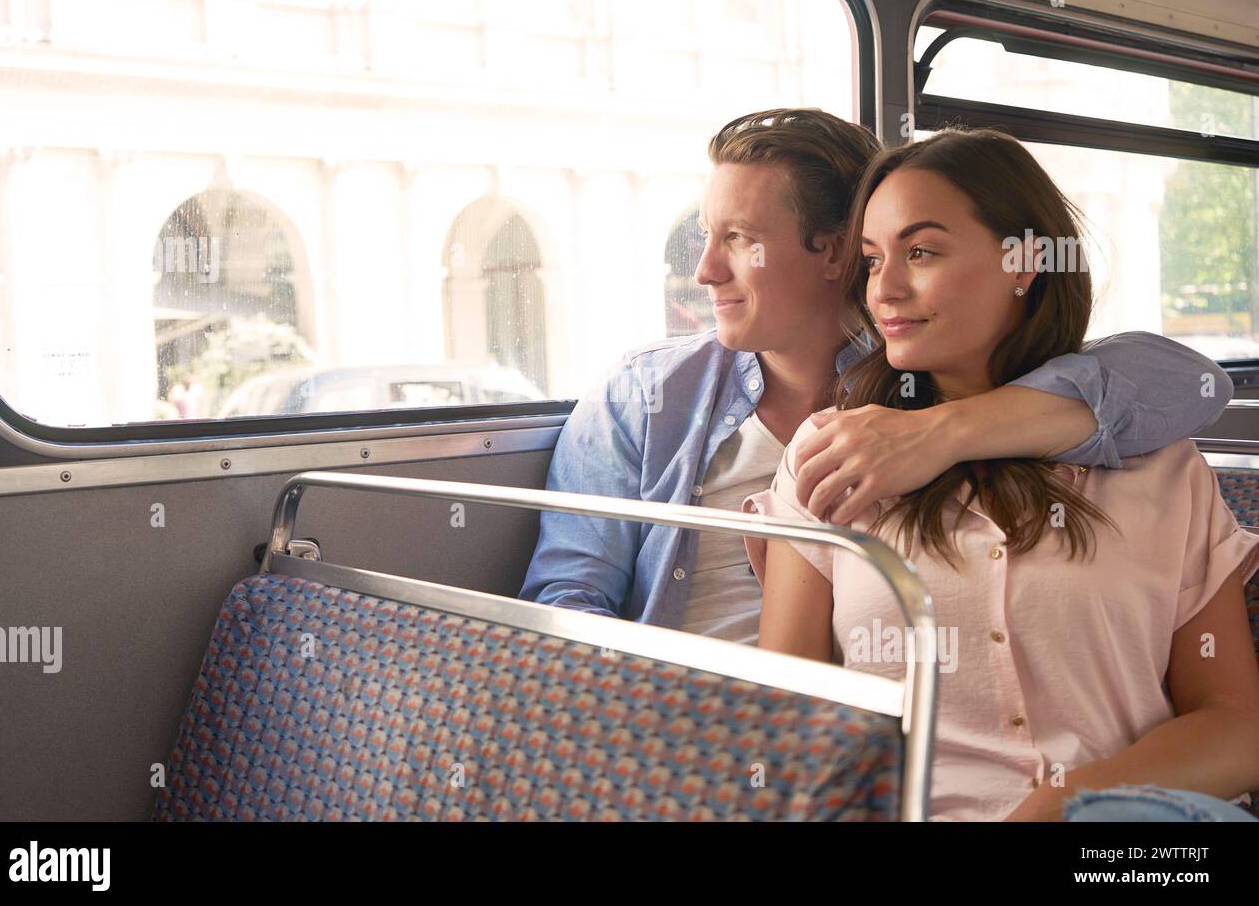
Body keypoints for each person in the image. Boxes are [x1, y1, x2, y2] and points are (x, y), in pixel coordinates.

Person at [519, 109, 1232, 641]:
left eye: (739, 240)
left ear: (833, 253)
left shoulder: (930, 368)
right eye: (708, 237)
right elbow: (564, 602)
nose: (704, 271)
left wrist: (946, 432)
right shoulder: (644, 399)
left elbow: (1185, 382)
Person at [744, 127, 1259, 821]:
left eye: (921, 252)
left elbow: (1233, 723)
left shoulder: (1160, 463)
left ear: (1023, 263)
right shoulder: (828, 455)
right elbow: (788, 720)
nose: (886, 288)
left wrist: (1062, 806)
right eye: (871, 261)